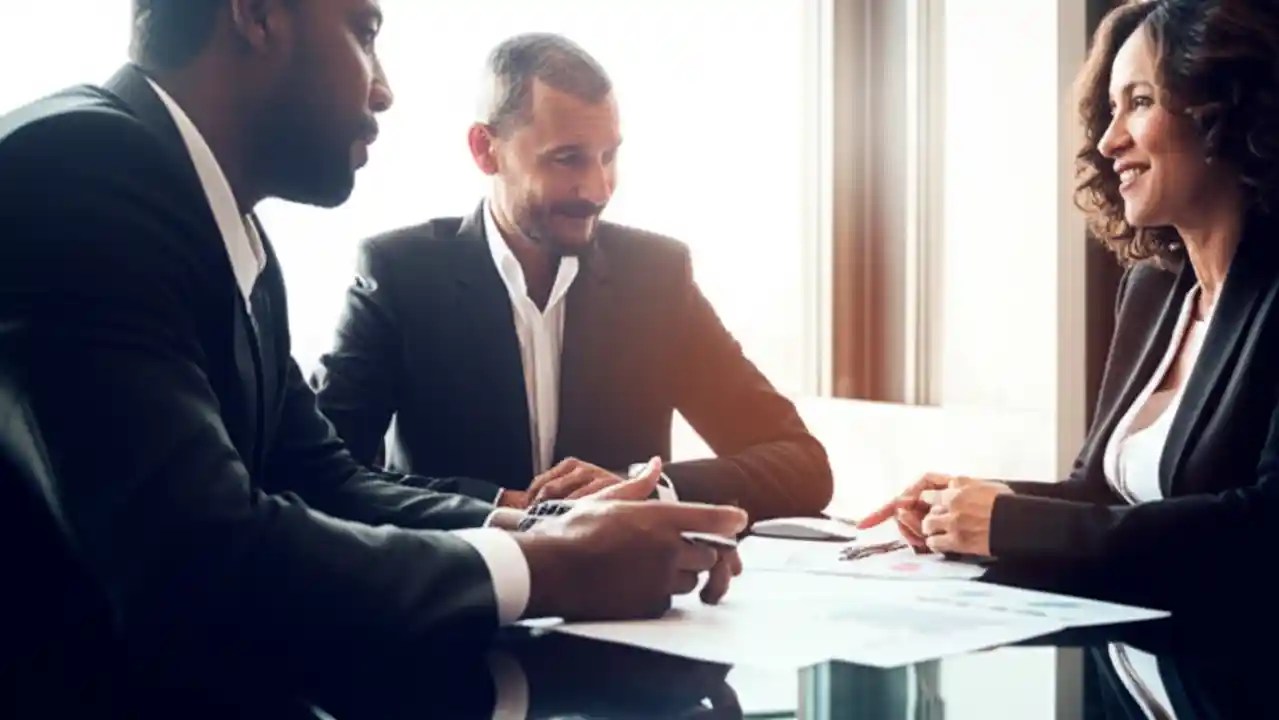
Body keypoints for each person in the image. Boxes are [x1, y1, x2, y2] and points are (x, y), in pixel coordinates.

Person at [0, 0, 747, 688]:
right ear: (256, 15)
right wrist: (553, 566)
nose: (383, 91)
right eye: (364, 33)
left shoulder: (228, 229)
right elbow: (195, 559)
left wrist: (552, 527)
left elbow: (321, 478)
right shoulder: (79, 169)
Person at [861, 1, 1279, 717]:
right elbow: (1102, 493)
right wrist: (975, 503)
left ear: (1224, 110)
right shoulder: (1153, 290)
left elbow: (1264, 528)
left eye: (1139, 102)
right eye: (1111, 110)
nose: (1110, 140)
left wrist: (1010, 523)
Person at [311, 32, 832, 522]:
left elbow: (802, 464)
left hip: (622, 588)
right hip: (464, 579)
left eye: (608, 157)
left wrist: (647, 489)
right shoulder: (400, 275)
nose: (598, 189)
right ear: (485, 149)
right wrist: (500, 508)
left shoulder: (656, 279)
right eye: (568, 160)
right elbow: (317, 476)